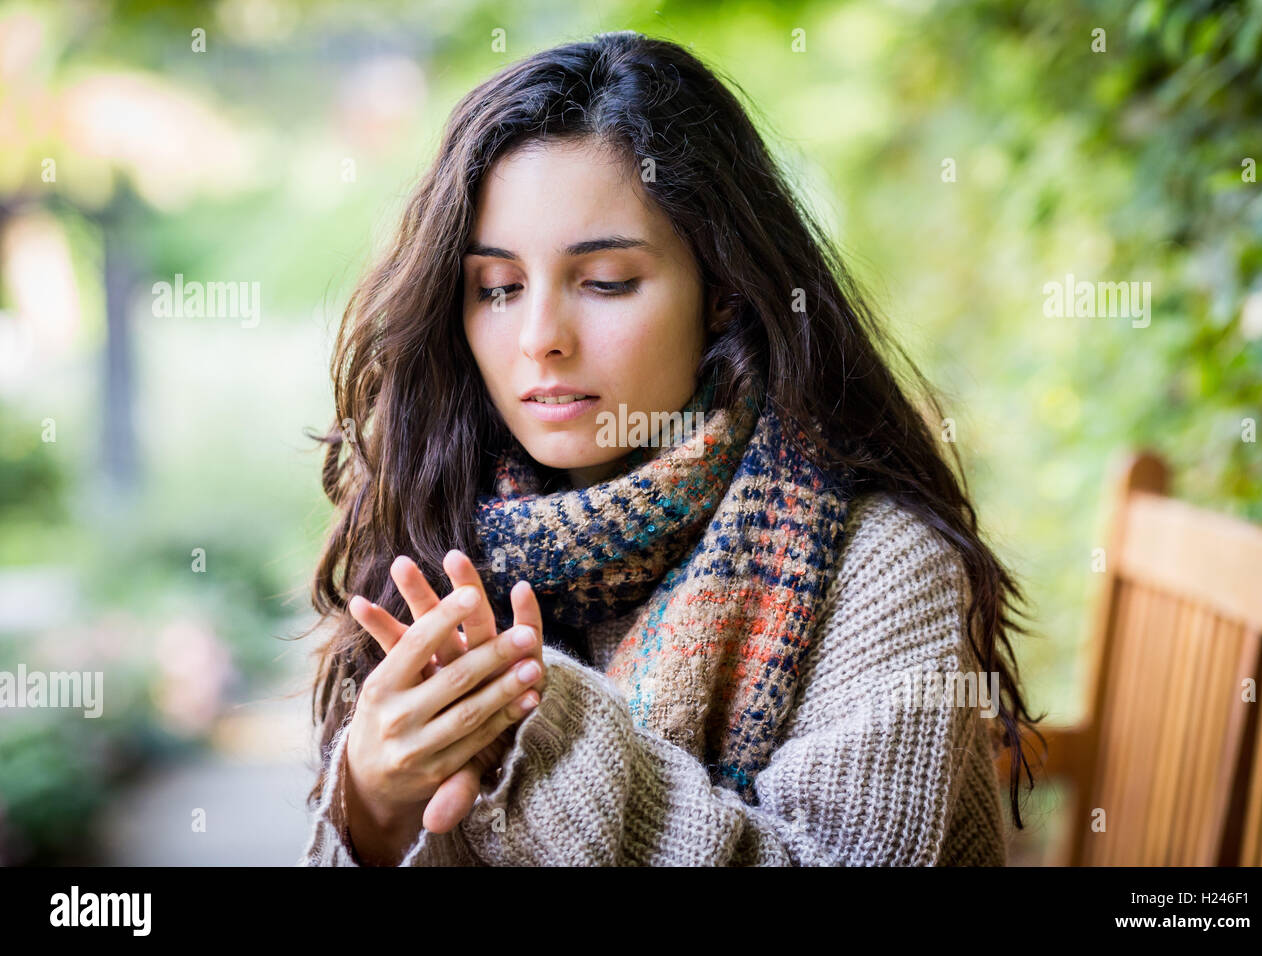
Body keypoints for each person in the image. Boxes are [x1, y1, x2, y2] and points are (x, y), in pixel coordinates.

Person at [298, 30, 1041, 867]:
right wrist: (371, 803)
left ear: (722, 293)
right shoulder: (439, 530)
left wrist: (549, 726)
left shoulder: (882, 563)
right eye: (498, 289)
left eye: (606, 281)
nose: (539, 338)